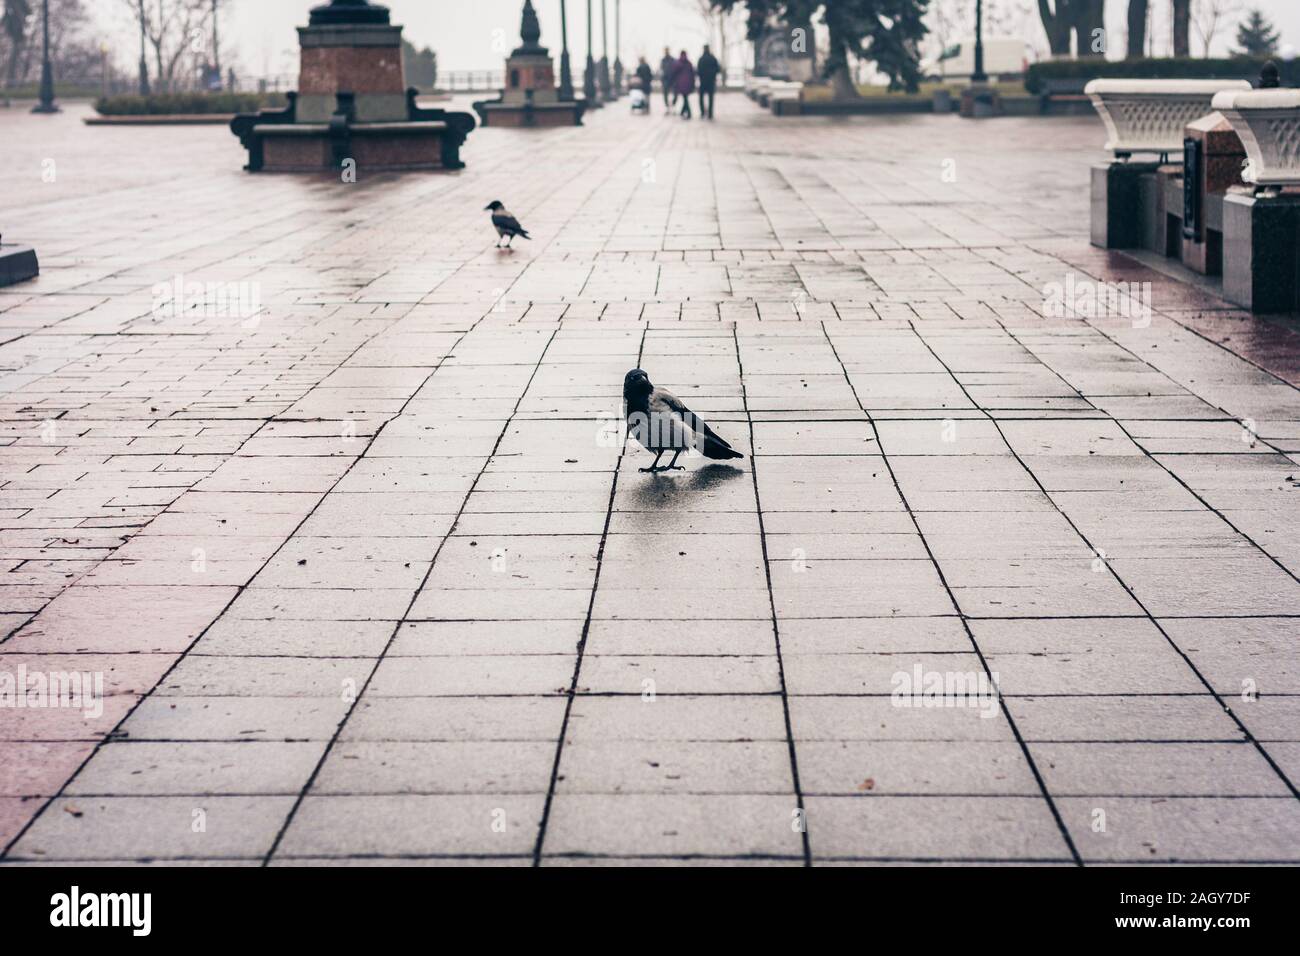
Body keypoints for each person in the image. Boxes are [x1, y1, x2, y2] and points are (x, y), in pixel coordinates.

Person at [696, 44, 720, 120]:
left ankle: (703, 112)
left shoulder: (701, 59)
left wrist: (701, 76)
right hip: (711, 81)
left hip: (703, 81)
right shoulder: (713, 58)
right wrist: (713, 75)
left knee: (701, 98)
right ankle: (710, 114)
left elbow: (698, 71)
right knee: (711, 98)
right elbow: (718, 69)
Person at [673, 50, 695, 119]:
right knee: (685, 98)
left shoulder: (677, 63)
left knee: (685, 98)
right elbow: (693, 74)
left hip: (680, 84)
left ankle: (687, 113)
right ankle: (684, 112)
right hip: (688, 84)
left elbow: (674, 73)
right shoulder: (689, 63)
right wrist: (692, 84)